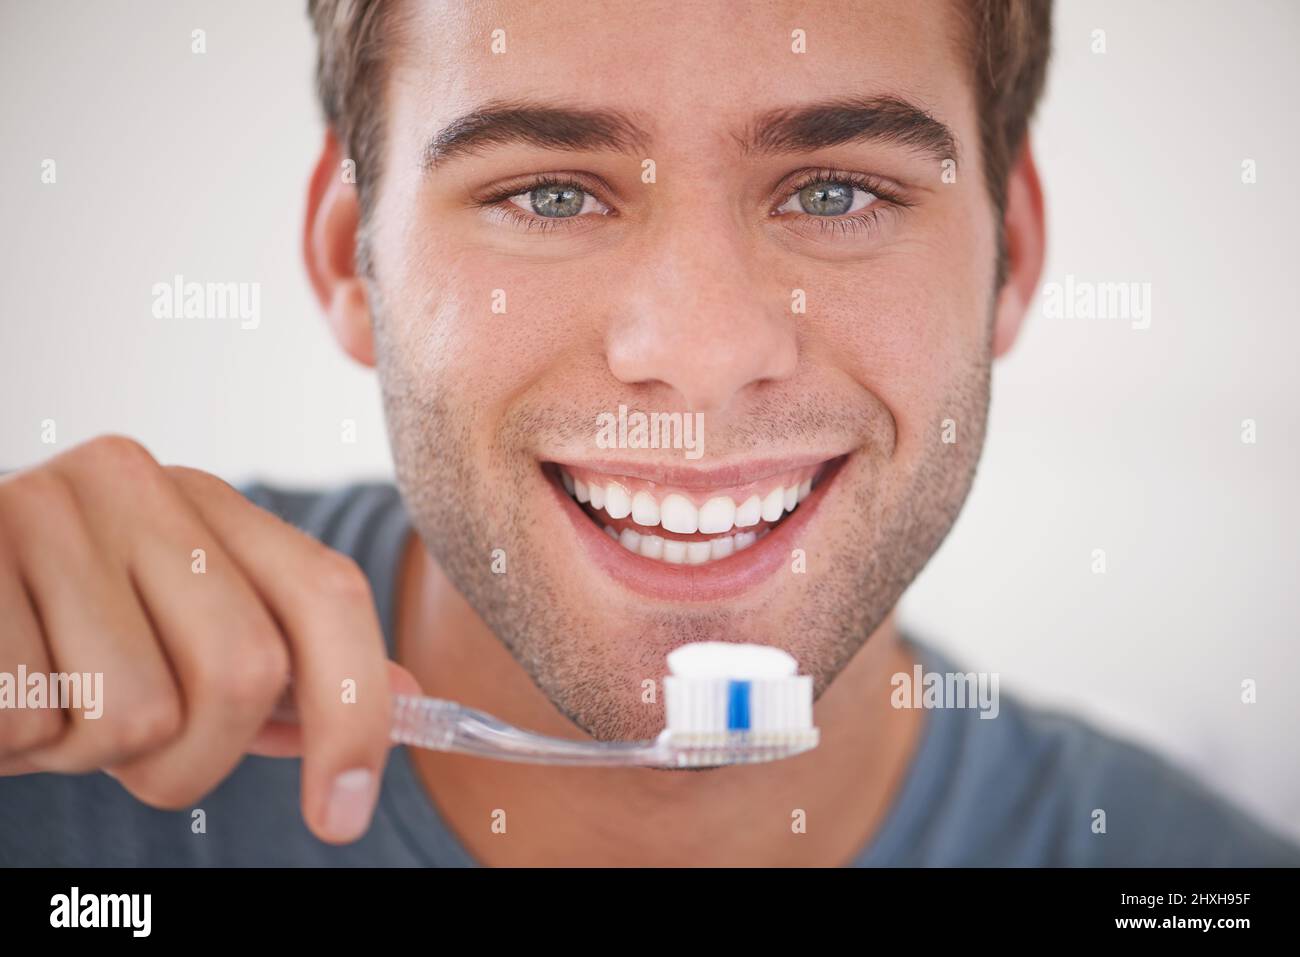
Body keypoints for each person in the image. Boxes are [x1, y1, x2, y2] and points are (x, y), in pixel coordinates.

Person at [2, 0, 1296, 866]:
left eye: (837, 190)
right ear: (353, 259)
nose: (705, 348)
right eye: (551, 192)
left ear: (1012, 256)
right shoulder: (43, 751)